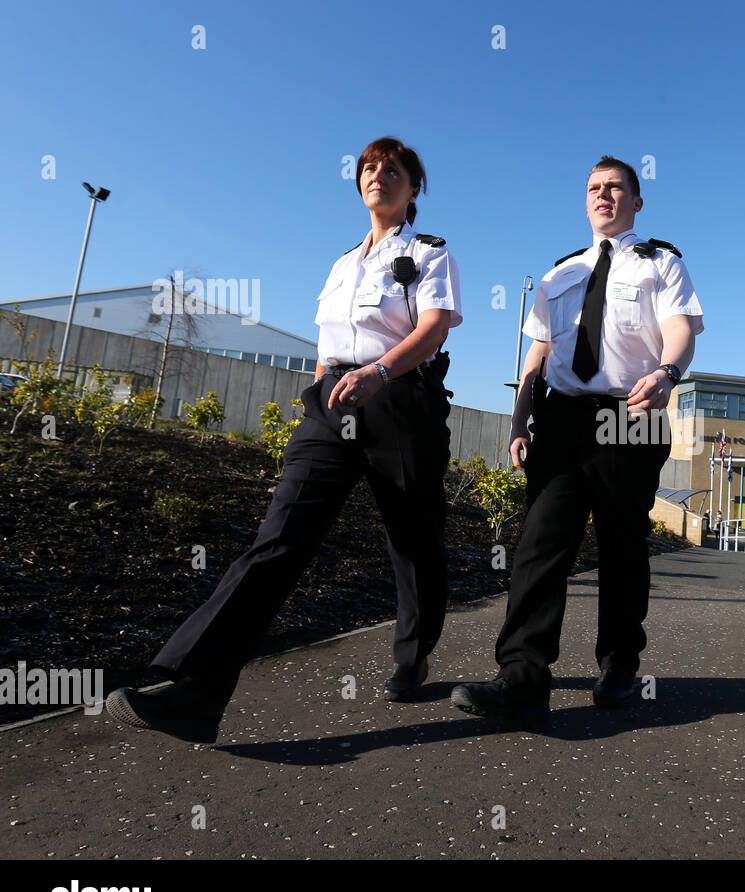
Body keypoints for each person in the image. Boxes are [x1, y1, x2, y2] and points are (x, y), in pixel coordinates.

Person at [106, 137, 462, 742]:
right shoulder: (343, 262)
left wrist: (379, 372)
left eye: (393, 171)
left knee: (414, 540)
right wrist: (325, 384)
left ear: (413, 189)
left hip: (399, 399)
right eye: (370, 169)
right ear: (358, 185)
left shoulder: (430, 252)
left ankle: (412, 652)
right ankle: (198, 691)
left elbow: (433, 329)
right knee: (280, 536)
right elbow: (328, 343)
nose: (379, 177)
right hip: (332, 404)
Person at [451, 156, 703, 721]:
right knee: (540, 543)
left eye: (615, 188)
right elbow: (537, 355)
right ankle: (522, 678)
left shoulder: (661, 262)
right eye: (594, 188)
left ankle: (618, 666)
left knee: (621, 546)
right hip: (561, 420)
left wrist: (667, 374)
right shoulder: (559, 272)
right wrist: (518, 421)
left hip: (629, 415)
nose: (603, 195)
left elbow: (681, 329)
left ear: (637, 202)